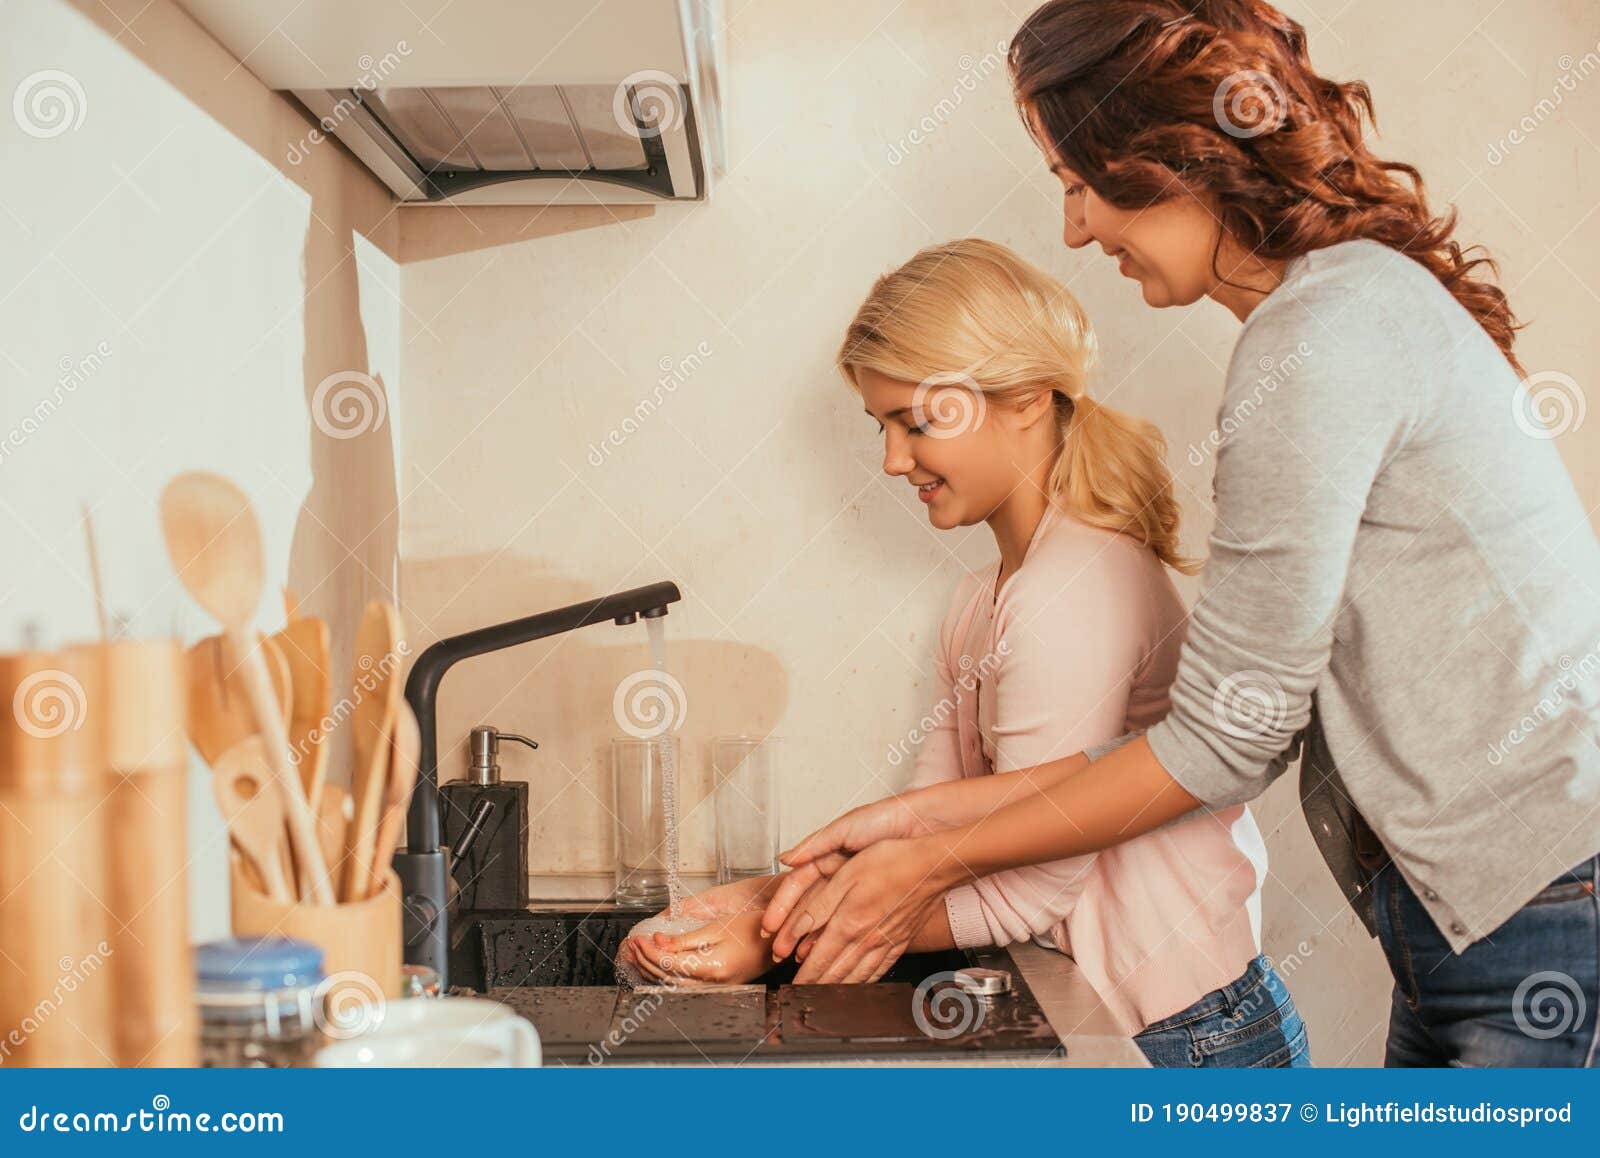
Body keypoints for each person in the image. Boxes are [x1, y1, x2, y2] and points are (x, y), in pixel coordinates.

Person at [762, 0, 1600, 1068]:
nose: (1074, 230)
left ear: (1172, 161)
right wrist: (912, 831)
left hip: (1538, 908)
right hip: (1492, 909)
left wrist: (934, 858)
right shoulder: (1339, 311)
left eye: (1078, 184)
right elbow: (1236, 720)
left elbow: (1223, 741)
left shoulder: (1321, 336)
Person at [627, 238, 1308, 1066]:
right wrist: (770, 898)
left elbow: (1034, 882)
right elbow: (935, 826)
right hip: (1125, 1010)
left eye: (917, 423)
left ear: (1024, 397)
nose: (892, 460)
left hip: (1189, 1035)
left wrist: (776, 937)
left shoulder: (1071, 591)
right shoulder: (983, 598)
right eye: (882, 426)